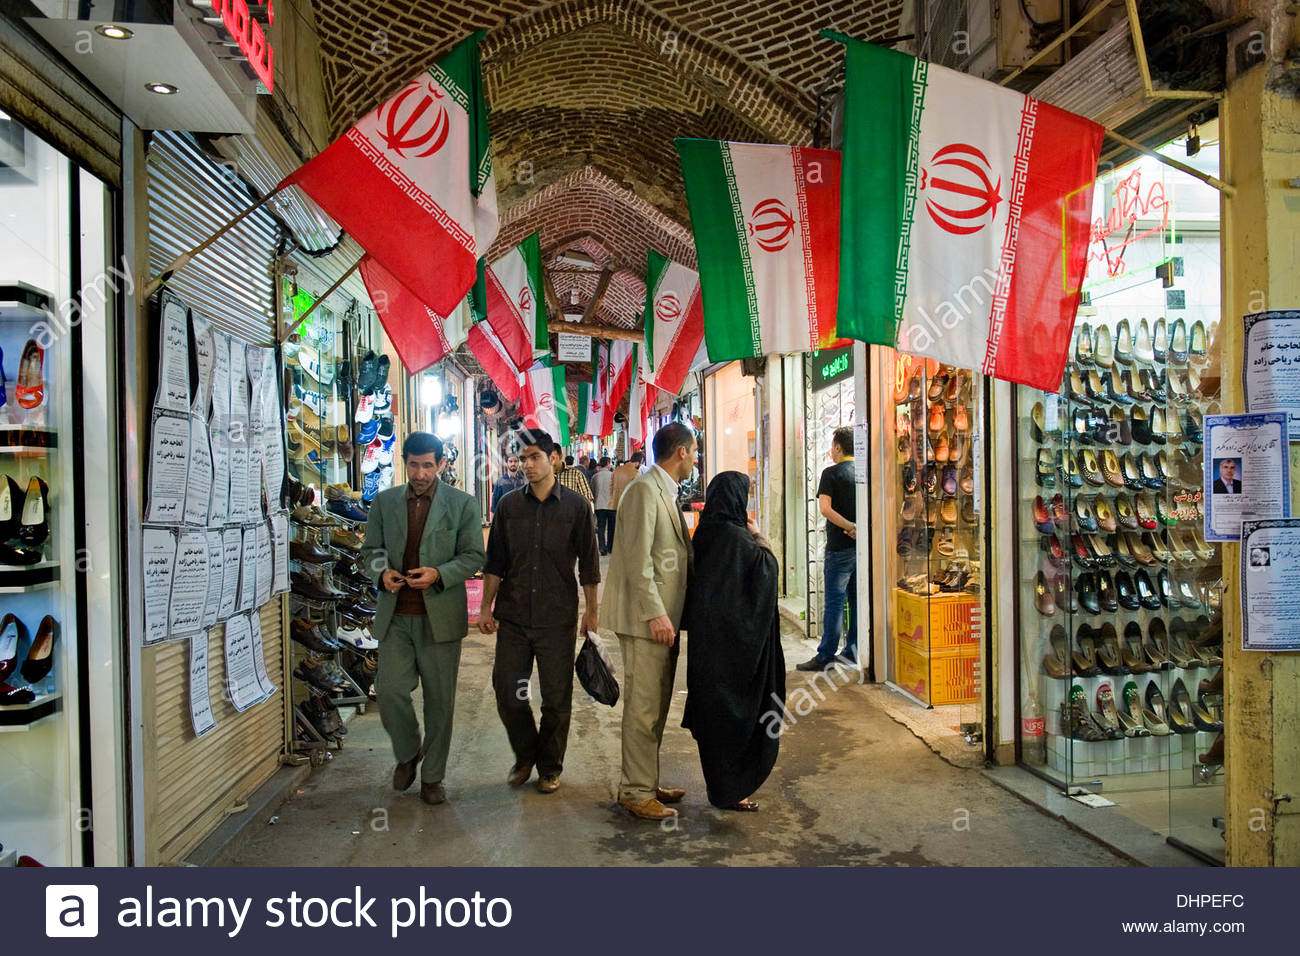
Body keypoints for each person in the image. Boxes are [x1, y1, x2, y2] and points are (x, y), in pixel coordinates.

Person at [361, 432, 485, 805]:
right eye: (413, 465)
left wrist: (440, 574)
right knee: (390, 691)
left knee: (440, 701)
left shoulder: (462, 504)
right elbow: (372, 551)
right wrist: (381, 573)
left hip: (439, 616)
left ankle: (432, 777)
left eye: (428, 465)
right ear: (405, 463)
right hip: (396, 615)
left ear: (441, 464)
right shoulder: (384, 503)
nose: (420, 473)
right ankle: (407, 751)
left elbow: (473, 556)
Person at [478, 430, 600, 794]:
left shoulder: (577, 507)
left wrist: (592, 611)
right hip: (513, 616)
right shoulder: (509, 506)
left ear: (555, 458)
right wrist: (486, 606)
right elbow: (495, 561)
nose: (526, 465)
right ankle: (526, 753)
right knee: (508, 691)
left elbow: (590, 566)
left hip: (557, 617)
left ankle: (549, 767)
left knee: (556, 697)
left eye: (534, 457)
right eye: (521, 458)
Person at [602, 423, 696, 820]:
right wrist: (656, 612)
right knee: (642, 707)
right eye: (694, 452)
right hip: (647, 620)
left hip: (663, 620)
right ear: (681, 453)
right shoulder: (644, 491)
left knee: (655, 706)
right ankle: (635, 792)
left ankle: (645, 779)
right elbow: (637, 562)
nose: (695, 459)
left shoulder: (665, 491)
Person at [681, 471, 785, 812]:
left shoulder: (705, 534)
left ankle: (719, 787)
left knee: (713, 718)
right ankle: (732, 790)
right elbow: (767, 577)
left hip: (706, 649)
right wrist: (761, 539)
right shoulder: (741, 541)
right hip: (737, 653)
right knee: (737, 720)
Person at [798, 426, 858, 672]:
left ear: (838, 447)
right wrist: (859, 529)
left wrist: (848, 525)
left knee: (834, 602)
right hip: (860, 548)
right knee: (856, 601)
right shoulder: (863, 472)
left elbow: (824, 508)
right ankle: (852, 651)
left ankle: (825, 655)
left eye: (832, 447)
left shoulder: (830, 473)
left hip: (839, 548)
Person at [591, 457, 615, 555]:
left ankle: (602, 547)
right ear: (608, 464)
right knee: (611, 527)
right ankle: (610, 547)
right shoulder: (613, 475)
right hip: (611, 505)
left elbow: (591, 490)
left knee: (601, 527)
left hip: (599, 505)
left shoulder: (595, 476)